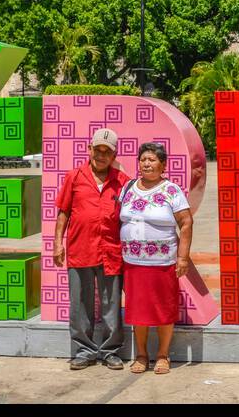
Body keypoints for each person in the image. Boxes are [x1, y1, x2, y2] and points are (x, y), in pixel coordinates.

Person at [54, 128, 129, 370]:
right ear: (90, 150)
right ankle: (83, 350)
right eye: (98, 150)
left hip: (111, 250)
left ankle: (110, 351)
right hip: (80, 249)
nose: (101, 155)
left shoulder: (123, 181)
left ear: (114, 154)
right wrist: (57, 243)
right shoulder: (74, 177)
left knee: (111, 304)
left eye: (107, 152)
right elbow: (63, 211)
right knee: (80, 304)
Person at [119, 142, 192, 375]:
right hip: (132, 262)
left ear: (163, 164)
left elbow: (186, 222)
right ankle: (141, 355)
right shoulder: (128, 187)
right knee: (137, 311)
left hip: (162, 263)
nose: (147, 163)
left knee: (163, 309)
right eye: (143, 159)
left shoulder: (171, 190)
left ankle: (162, 355)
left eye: (152, 159)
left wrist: (183, 258)